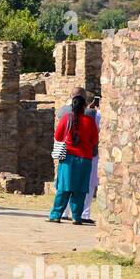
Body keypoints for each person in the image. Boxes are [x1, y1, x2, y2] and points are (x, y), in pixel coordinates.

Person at [49, 89, 99, 224]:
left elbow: (58, 136)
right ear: (84, 106)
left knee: (63, 187)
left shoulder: (66, 118)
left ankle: (56, 215)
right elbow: (94, 140)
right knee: (80, 189)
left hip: (68, 158)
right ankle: (77, 217)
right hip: (85, 159)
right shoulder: (90, 121)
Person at [81, 95, 101, 221]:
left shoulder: (67, 115)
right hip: (91, 153)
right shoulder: (96, 116)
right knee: (90, 184)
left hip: (72, 153)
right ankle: (84, 214)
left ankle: (65, 212)